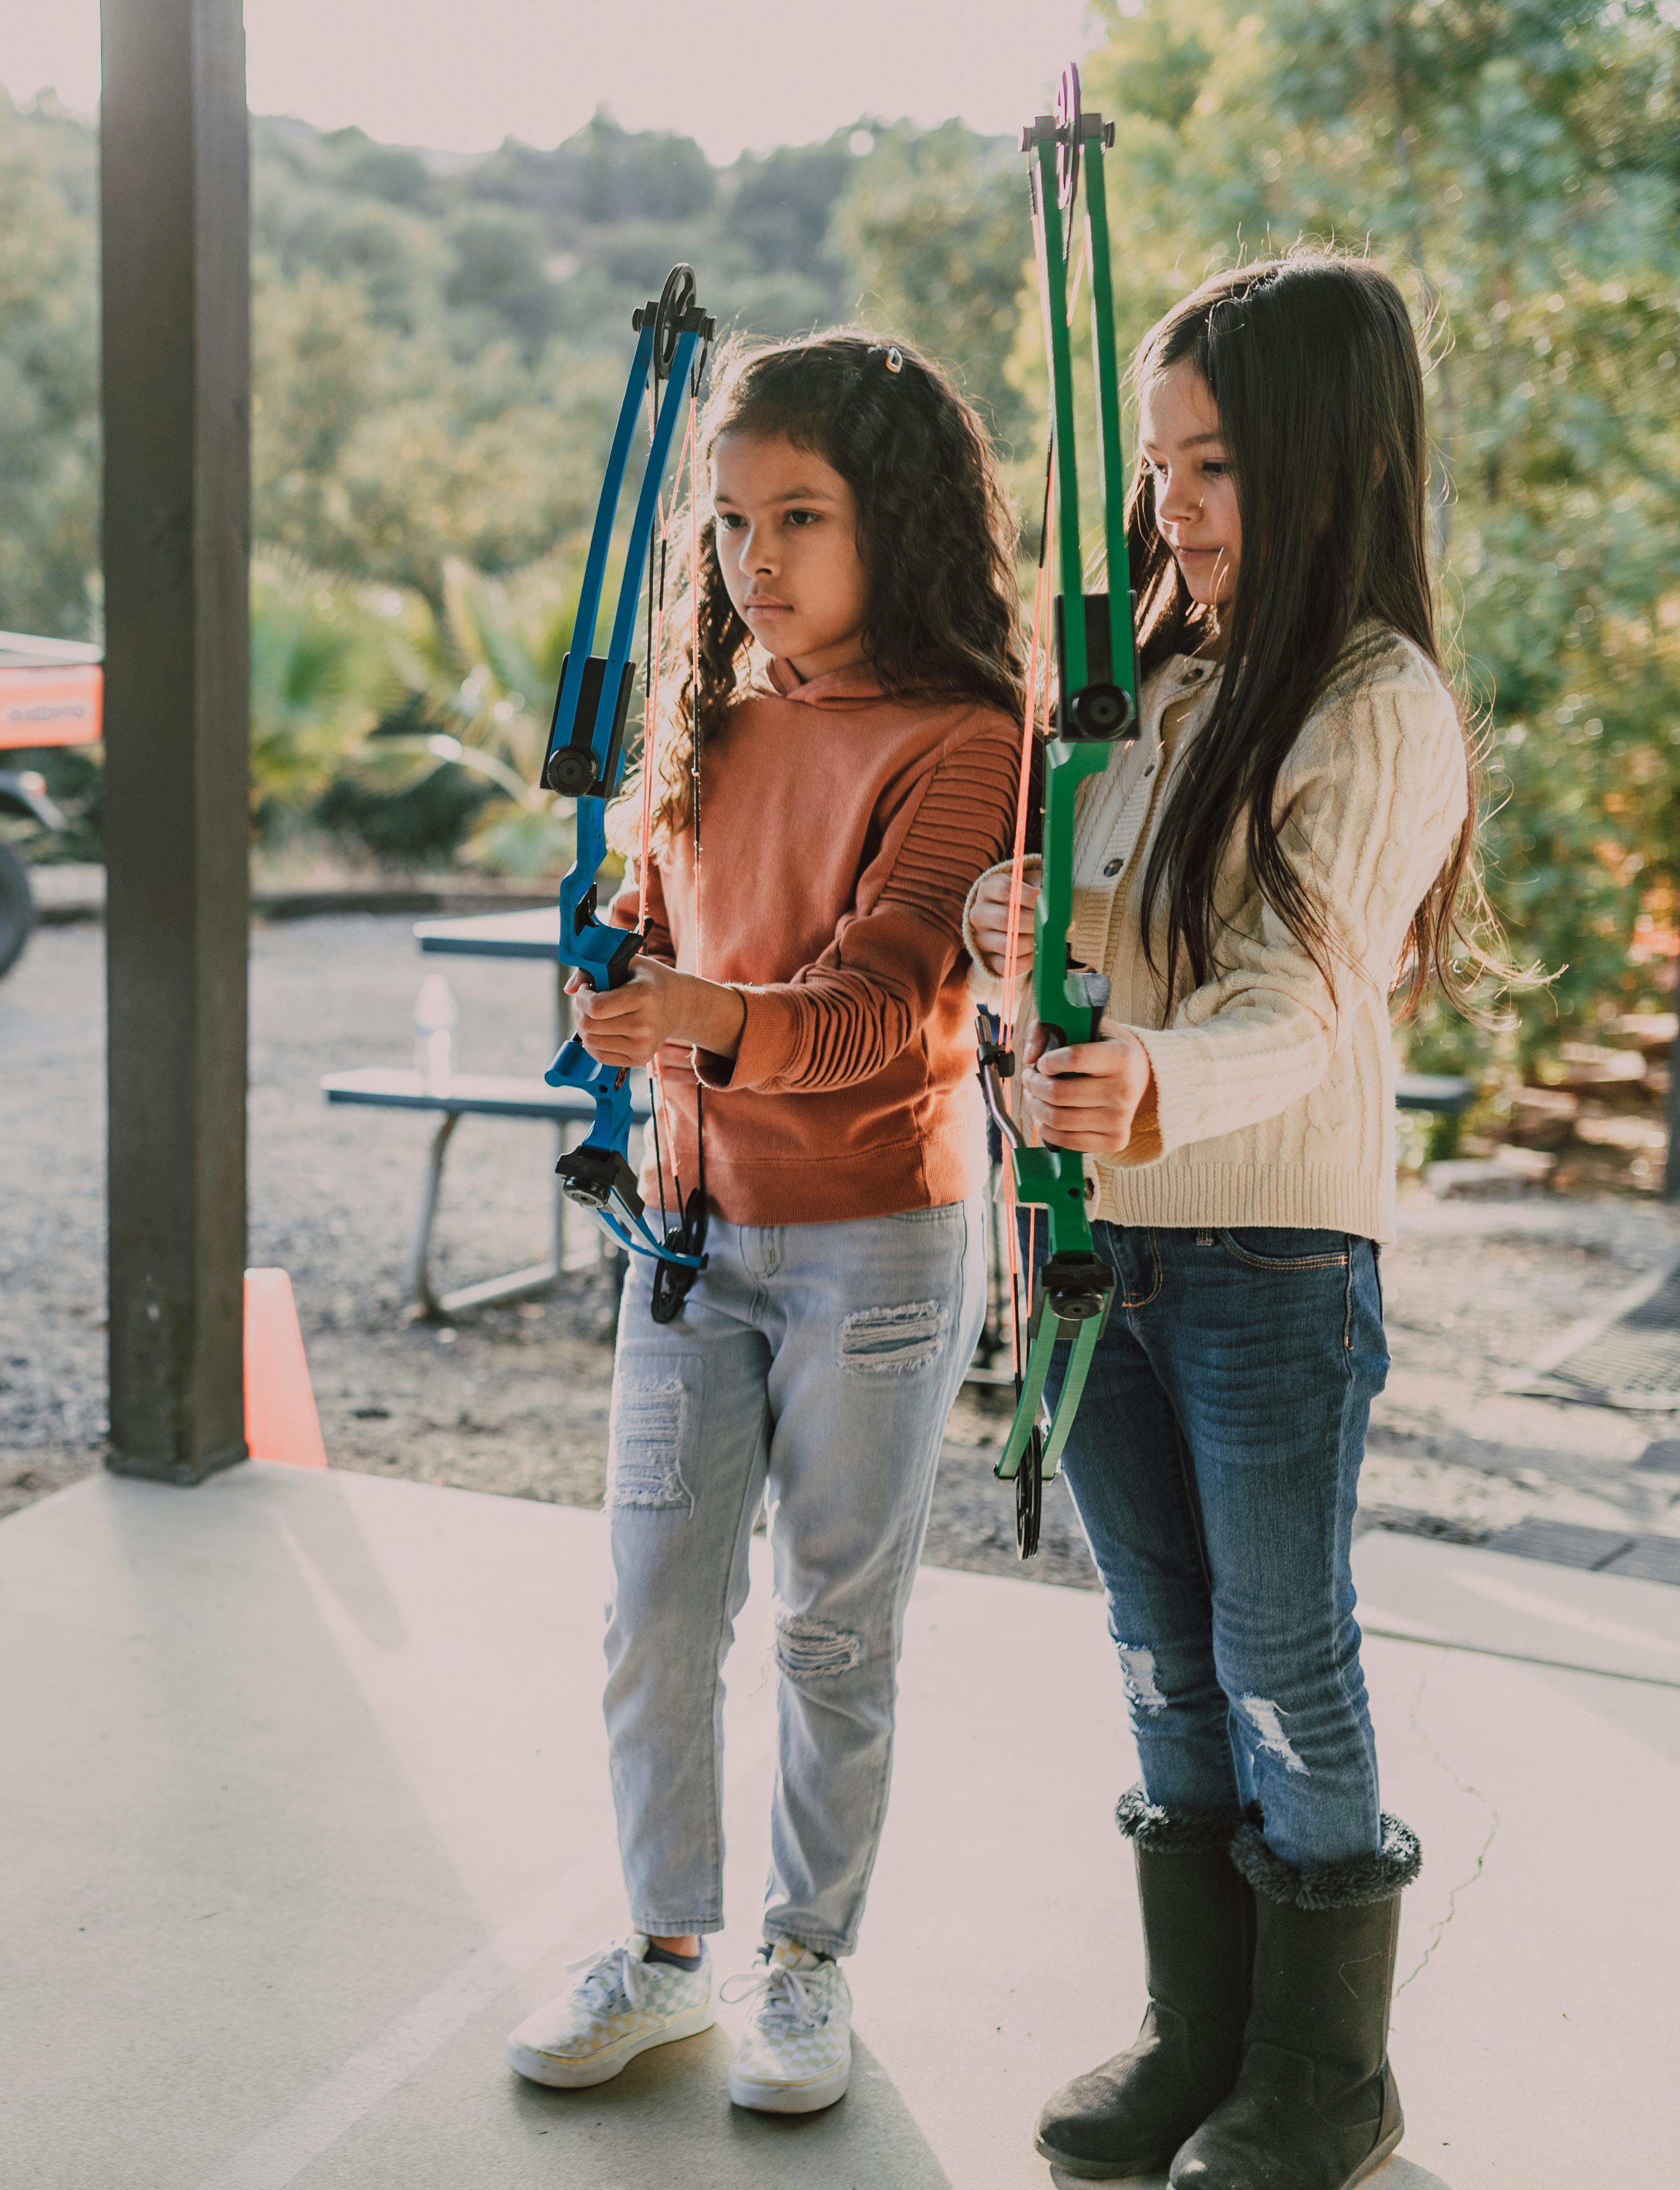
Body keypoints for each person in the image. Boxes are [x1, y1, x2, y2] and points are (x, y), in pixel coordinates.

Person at [964, 255, 1480, 2190]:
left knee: (1278, 1646)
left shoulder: (1375, 700)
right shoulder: (1149, 674)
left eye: (1219, 461)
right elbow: (1089, 933)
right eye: (1163, 457)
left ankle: (1323, 2077)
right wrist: (1007, 931)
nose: (1172, 499)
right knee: (1160, 1643)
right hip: (1098, 1224)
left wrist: (1160, 1076)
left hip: (1267, 1245)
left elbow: (1301, 994)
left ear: (1336, 463)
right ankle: (1201, 2042)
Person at [502, 333, 1028, 2115]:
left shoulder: (968, 737)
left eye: (799, 516)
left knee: (830, 1624)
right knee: (655, 1606)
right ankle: (664, 1953)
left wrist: (700, 1019)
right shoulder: (705, 718)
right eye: (730, 524)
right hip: (686, 1231)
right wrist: (624, 997)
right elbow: (650, 931)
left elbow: (880, 1005)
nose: (756, 562)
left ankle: (803, 1965)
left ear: (900, 523)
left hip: (875, 1240)